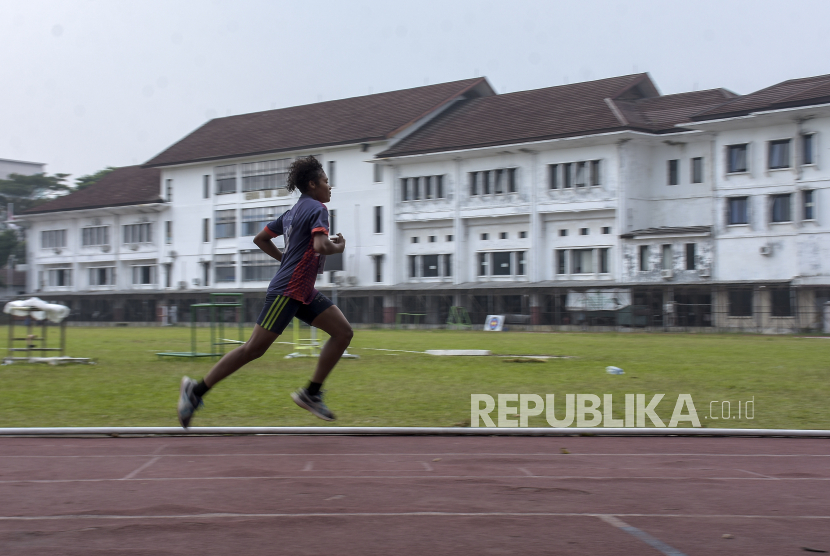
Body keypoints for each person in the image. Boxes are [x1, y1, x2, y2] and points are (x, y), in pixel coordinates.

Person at [177, 155, 352, 427]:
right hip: (289, 290)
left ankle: (312, 393)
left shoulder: (293, 213)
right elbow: (319, 245)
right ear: (312, 184)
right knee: (252, 350)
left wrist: (287, 259)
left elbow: (261, 239)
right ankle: (195, 391)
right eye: (326, 182)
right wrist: (339, 247)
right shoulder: (318, 208)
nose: (330, 187)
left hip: (302, 289)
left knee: (343, 332)